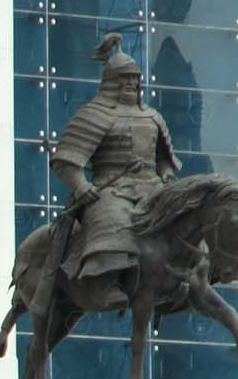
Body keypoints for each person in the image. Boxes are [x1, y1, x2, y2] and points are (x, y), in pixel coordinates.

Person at [49, 33, 177, 302]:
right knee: (113, 221)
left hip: (152, 188)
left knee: (187, 217)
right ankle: (107, 283)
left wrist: (165, 174)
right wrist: (82, 186)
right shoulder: (96, 114)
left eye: (134, 77)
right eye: (125, 77)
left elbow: (164, 158)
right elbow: (67, 159)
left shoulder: (153, 117)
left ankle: (191, 276)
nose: (131, 82)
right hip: (110, 189)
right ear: (111, 81)